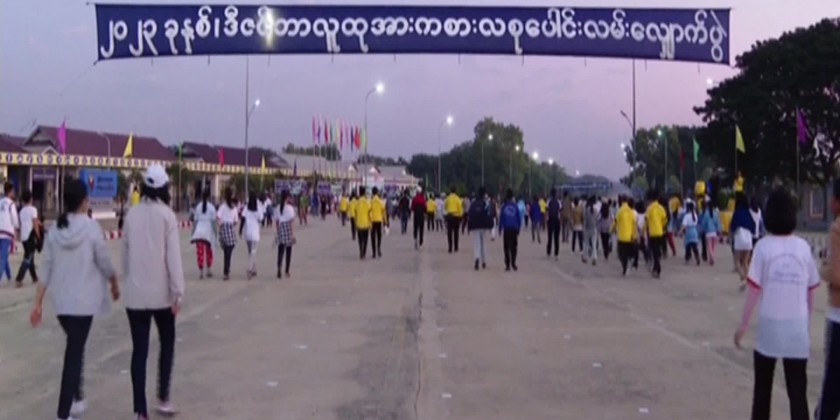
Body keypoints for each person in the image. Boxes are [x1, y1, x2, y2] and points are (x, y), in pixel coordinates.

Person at [30, 179, 119, 420]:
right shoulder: (91, 228)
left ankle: (78, 398)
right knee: (74, 352)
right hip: (84, 304)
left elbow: (45, 269)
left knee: (75, 347)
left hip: (62, 305)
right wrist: (113, 282)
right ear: (83, 202)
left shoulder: (55, 229)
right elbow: (103, 260)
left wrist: (38, 303)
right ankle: (63, 412)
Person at [733, 188, 816, 420]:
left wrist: (743, 326)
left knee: (762, 393)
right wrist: (806, 323)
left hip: (769, 331)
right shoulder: (803, 247)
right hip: (796, 331)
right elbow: (811, 290)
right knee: (798, 394)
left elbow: (753, 291)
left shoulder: (763, 247)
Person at [121, 165, 185, 419]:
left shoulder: (131, 215)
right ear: (164, 188)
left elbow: (125, 258)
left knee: (139, 351)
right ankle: (164, 397)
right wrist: (178, 292)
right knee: (167, 343)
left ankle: (140, 410)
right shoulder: (167, 216)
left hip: (135, 295)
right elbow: (173, 259)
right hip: (162, 296)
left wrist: (130, 281)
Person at [816, 178, 840, 420]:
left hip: (838, 315)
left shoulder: (837, 229)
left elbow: (835, 273)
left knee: (832, 385)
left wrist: (823, 268)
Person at [730, 193, 757, 289]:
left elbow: (733, 225)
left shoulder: (737, 212)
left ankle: (743, 277)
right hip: (748, 238)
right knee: (745, 262)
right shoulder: (748, 212)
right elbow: (753, 225)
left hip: (739, 237)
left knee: (737, 261)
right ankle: (747, 280)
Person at [190, 190, 216, 279]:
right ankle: (208, 270)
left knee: (200, 252)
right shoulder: (212, 207)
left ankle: (201, 272)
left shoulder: (198, 207)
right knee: (209, 252)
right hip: (208, 231)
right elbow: (213, 222)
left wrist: (193, 232)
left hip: (199, 231)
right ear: (209, 197)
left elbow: (195, 221)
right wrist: (215, 233)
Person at [15, 189, 40, 287]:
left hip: (24, 236)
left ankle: (34, 277)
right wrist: (38, 236)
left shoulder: (21, 211)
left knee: (30, 257)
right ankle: (19, 279)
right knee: (28, 258)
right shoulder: (33, 210)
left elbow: (21, 224)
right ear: (30, 199)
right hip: (30, 236)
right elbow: (35, 224)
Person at [468, 187, 493, 271]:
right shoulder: (486, 203)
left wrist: (469, 226)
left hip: (475, 226)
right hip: (484, 226)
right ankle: (484, 261)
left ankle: (477, 258)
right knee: (483, 243)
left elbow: (470, 214)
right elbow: (489, 214)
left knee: (476, 243)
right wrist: (490, 226)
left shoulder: (473, 203)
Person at [216, 187, 239, 281]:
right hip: (230, 229)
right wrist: (231, 224)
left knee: (226, 252)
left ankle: (226, 271)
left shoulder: (222, 206)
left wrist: (220, 224)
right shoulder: (234, 208)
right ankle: (226, 271)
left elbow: (217, 217)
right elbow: (236, 221)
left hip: (223, 229)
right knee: (229, 252)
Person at [240, 192, 263, 279]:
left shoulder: (246, 207)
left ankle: (254, 269)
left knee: (251, 252)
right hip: (255, 234)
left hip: (247, 233)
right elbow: (261, 219)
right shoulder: (258, 208)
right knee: (253, 252)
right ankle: (249, 269)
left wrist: (240, 230)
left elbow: (242, 218)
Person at [645, 190, 667, 279]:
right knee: (657, 252)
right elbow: (665, 220)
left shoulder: (649, 209)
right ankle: (655, 268)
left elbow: (646, 222)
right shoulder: (661, 208)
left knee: (654, 253)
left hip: (652, 233)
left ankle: (657, 269)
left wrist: (642, 232)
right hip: (660, 233)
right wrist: (661, 226)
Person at [0, 182, 18, 283]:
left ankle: (9, 274)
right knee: (3, 256)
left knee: (3, 254)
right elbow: (14, 219)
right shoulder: (11, 204)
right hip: (7, 232)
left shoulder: (0, 202)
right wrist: (17, 228)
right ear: (10, 191)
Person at [275, 190, 296, 279]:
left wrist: (278, 231)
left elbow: (276, 221)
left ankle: (279, 267)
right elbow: (291, 222)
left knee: (280, 251)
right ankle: (287, 270)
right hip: (287, 228)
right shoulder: (290, 208)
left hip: (281, 228)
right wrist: (292, 234)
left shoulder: (278, 207)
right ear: (287, 197)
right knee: (288, 251)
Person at [613, 197, 637, 276]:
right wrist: (634, 235)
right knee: (627, 252)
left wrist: (611, 230)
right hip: (629, 236)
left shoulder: (619, 211)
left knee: (621, 254)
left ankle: (625, 267)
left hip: (621, 237)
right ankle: (629, 262)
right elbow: (634, 225)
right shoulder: (631, 212)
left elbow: (615, 222)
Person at [499, 189, 521, 272]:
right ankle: (513, 263)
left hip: (507, 228)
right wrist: (518, 228)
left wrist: (500, 228)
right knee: (514, 246)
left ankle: (507, 264)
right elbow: (518, 218)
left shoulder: (504, 206)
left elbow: (501, 218)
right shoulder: (515, 206)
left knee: (506, 247)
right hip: (514, 228)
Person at [699, 201, 722, 266]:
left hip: (708, 232)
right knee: (713, 247)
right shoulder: (715, 214)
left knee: (709, 247)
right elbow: (718, 223)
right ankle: (711, 259)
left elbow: (703, 223)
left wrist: (701, 230)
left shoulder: (706, 214)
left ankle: (712, 258)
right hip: (714, 232)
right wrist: (719, 231)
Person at [444, 186, 463, 253]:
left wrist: (448, 210)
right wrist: (461, 216)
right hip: (456, 216)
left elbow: (445, 206)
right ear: (456, 191)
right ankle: (456, 247)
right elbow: (460, 208)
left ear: (450, 191)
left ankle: (450, 247)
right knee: (456, 232)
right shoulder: (458, 198)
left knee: (449, 233)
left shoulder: (448, 198)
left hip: (449, 216)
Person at [354, 186, 372, 259]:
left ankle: (360, 251)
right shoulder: (367, 202)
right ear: (364, 192)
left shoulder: (357, 202)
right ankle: (364, 252)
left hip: (359, 223)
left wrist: (355, 223)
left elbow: (355, 213)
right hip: (366, 224)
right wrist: (370, 223)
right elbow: (369, 213)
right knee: (365, 239)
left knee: (360, 239)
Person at [681, 201, 701, 265]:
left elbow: (684, 225)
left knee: (688, 246)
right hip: (694, 231)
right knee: (694, 246)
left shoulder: (686, 216)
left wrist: (681, 231)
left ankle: (687, 258)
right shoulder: (695, 215)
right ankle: (697, 257)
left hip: (688, 232)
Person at [370, 187, 387, 259]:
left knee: (373, 237)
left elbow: (369, 211)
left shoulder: (370, 201)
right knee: (379, 236)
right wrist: (385, 221)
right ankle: (379, 248)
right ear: (377, 192)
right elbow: (383, 211)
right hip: (379, 220)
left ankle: (373, 252)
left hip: (372, 221)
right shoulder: (380, 201)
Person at [583, 196, 600, 265]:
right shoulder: (595, 210)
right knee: (594, 244)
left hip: (588, 228)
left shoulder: (587, 209)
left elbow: (585, 219)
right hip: (594, 228)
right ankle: (594, 258)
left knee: (586, 243)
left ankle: (585, 257)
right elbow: (597, 219)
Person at [546, 188, 562, 260]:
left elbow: (546, 211)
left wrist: (546, 220)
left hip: (550, 220)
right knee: (556, 238)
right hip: (557, 220)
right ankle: (556, 253)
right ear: (556, 194)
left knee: (549, 237)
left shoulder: (548, 201)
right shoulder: (558, 201)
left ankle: (548, 252)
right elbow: (560, 211)